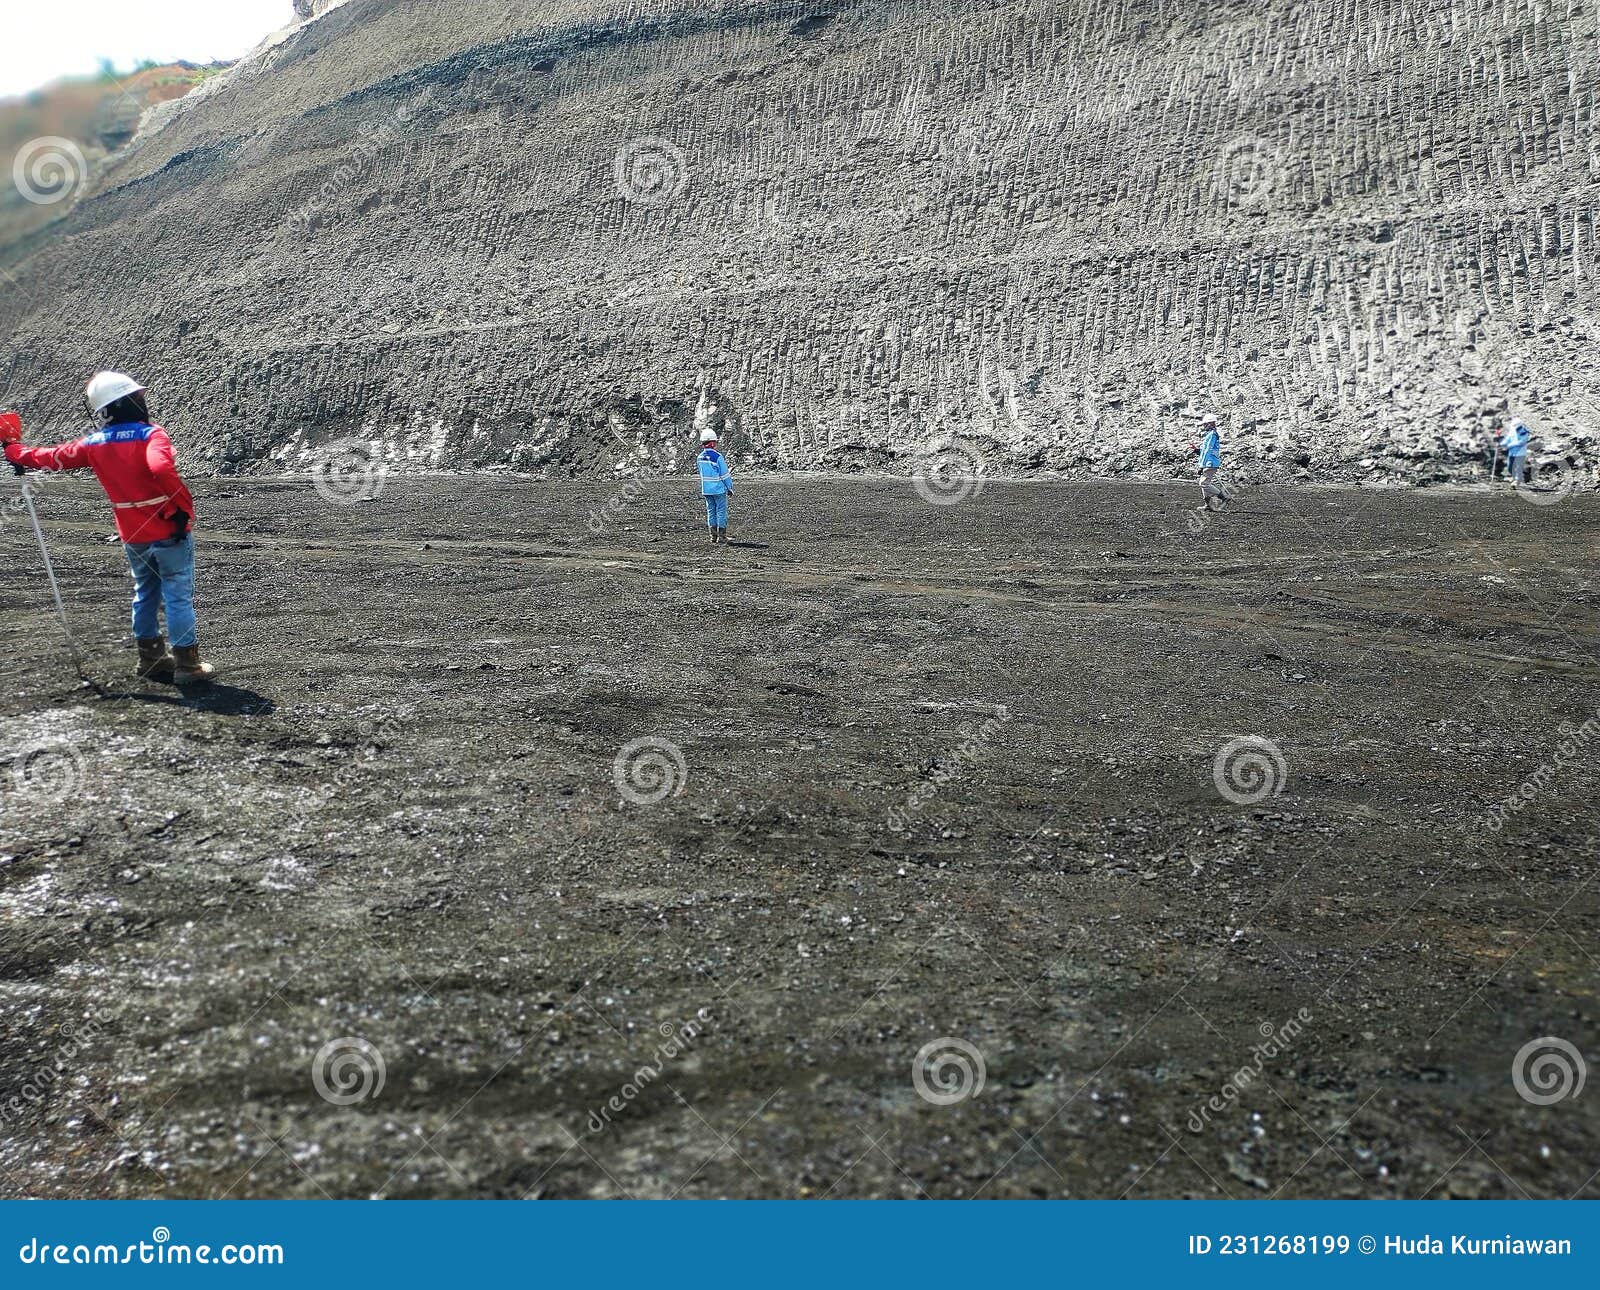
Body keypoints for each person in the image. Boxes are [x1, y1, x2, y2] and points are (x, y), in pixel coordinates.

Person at [1, 371, 215, 684]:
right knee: (177, 594)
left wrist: (12, 449)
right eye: (139, 397)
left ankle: (151, 660)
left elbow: (50, 457)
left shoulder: (94, 443)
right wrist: (182, 508)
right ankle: (187, 665)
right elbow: (160, 467)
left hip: (133, 534)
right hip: (167, 529)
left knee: (145, 593)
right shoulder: (151, 435)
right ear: (130, 401)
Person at [696, 427, 733, 543]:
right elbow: (724, 474)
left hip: (706, 490)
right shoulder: (717, 457)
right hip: (718, 490)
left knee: (711, 512)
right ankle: (722, 537)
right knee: (721, 512)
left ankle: (713, 536)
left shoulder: (699, 457)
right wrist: (729, 487)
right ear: (712, 442)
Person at [1192, 413, 1227, 511]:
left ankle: (1223, 497)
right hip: (1209, 462)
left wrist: (1201, 466)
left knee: (1203, 483)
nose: (1204, 426)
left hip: (1210, 463)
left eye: (1205, 424)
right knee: (1204, 483)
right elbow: (1205, 451)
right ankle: (1208, 505)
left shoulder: (1212, 435)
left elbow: (1208, 451)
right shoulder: (1211, 435)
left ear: (1210, 424)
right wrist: (1197, 450)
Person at [1499, 418, 1532, 487]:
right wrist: (1501, 444)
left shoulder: (1524, 432)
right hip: (1512, 452)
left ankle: (1517, 481)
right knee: (1510, 467)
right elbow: (1508, 438)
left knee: (1518, 467)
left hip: (1520, 453)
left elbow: (1521, 442)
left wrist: (1510, 445)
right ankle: (1513, 477)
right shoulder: (1513, 431)